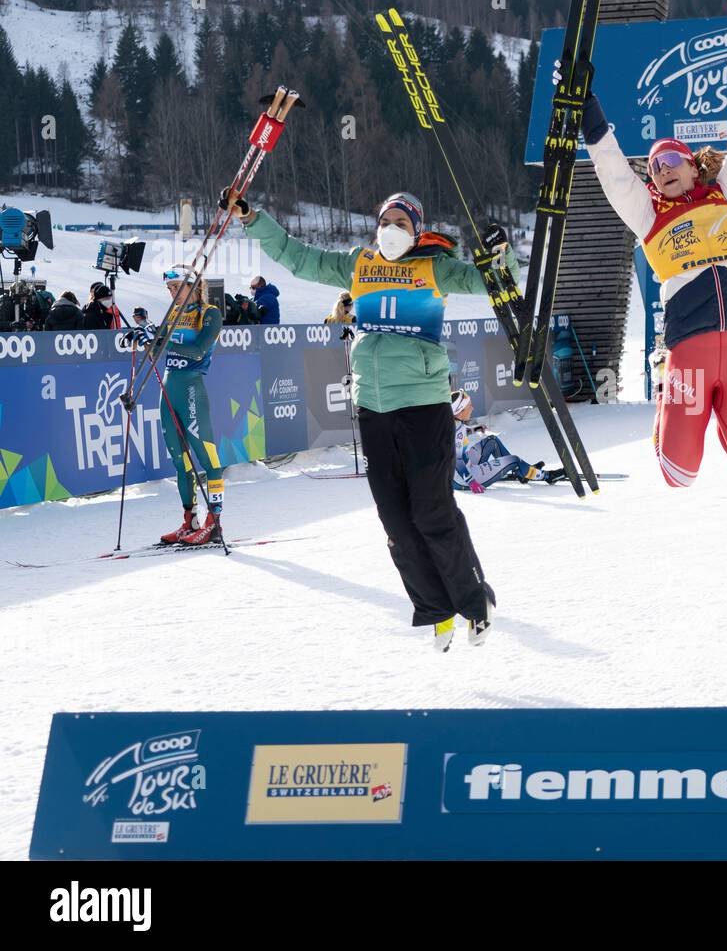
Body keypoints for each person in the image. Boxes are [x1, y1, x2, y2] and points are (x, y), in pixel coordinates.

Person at [229, 187, 509, 651]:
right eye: (386, 221)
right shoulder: (358, 265)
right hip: (374, 407)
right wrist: (251, 218)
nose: (391, 230)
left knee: (432, 509)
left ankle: (475, 602)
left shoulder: (433, 266)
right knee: (395, 520)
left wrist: (499, 254)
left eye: (401, 222)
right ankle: (435, 609)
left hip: (422, 404)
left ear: (417, 230)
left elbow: (491, 283)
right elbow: (298, 258)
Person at [581, 30, 727, 488]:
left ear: (693, 166)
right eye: (653, 167)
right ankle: (670, 396)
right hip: (689, 347)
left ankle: (726, 417)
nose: (662, 169)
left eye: (671, 160)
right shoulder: (646, 212)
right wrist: (585, 104)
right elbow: (610, 168)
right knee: (679, 472)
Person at [151, 267, 226, 547]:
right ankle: (190, 520)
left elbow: (197, 349)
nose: (172, 293)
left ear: (193, 286)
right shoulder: (172, 314)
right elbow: (156, 351)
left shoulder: (209, 314)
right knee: (179, 461)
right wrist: (145, 340)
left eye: (176, 287)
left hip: (192, 387)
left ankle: (214, 522)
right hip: (169, 388)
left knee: (208, 459)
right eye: (169, 289)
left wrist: (162, 339)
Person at [451, 389, 546, 493]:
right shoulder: (457, 430)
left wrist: (474, 429)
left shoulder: (451, 421)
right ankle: (547, 476)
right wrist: (471, 481)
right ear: (459, 412)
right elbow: (457, 461)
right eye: (469, 406)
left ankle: (522, 470)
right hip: (462, 478)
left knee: (492, 441)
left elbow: (460, 436)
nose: (472, 408)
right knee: (515, 460)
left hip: (461, 469)